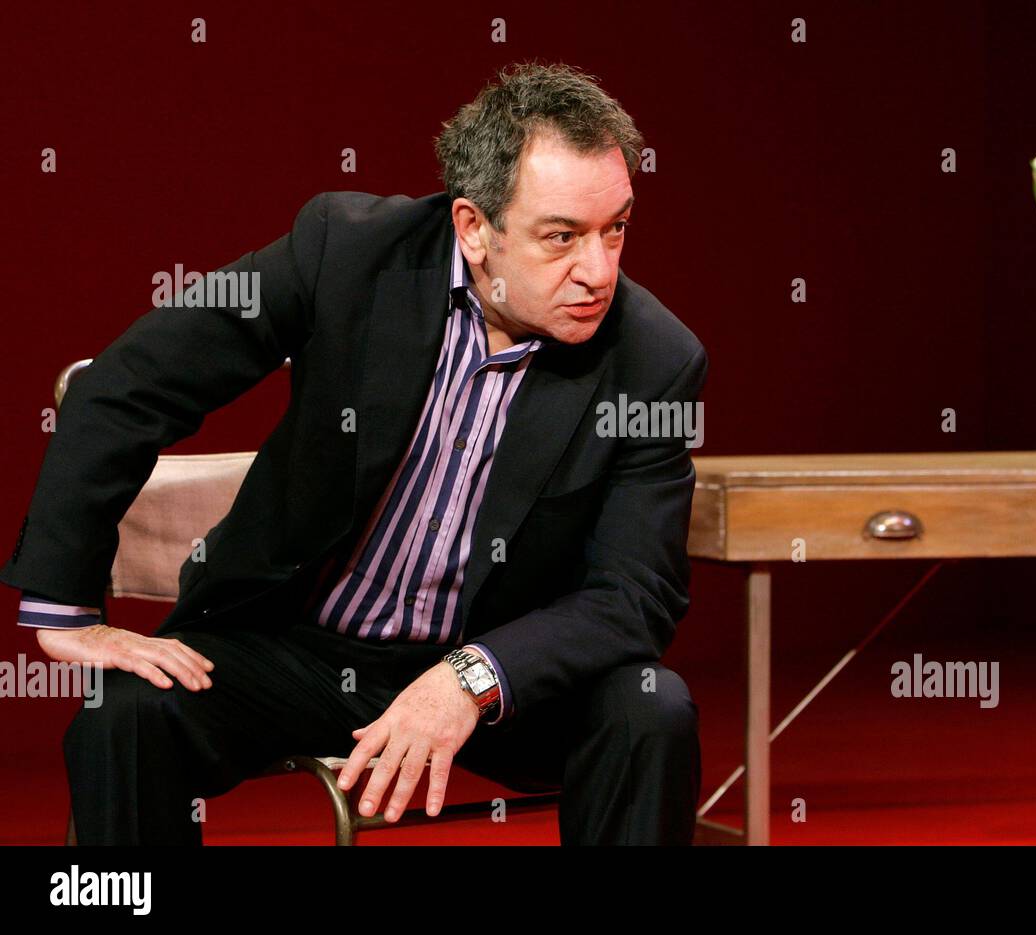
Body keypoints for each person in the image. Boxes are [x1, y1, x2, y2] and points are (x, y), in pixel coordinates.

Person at [1, 61, 708, 845]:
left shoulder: (654, 358)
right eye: (561, 237)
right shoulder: (347, 252)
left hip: (500, 671)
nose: (599, 270)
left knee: (651, 708)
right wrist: (63, 608)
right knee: (123, 714)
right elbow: (130, 382)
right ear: (473, 228)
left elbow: (632, 595)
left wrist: (467, 680)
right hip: (297, 649)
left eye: (616, 228)